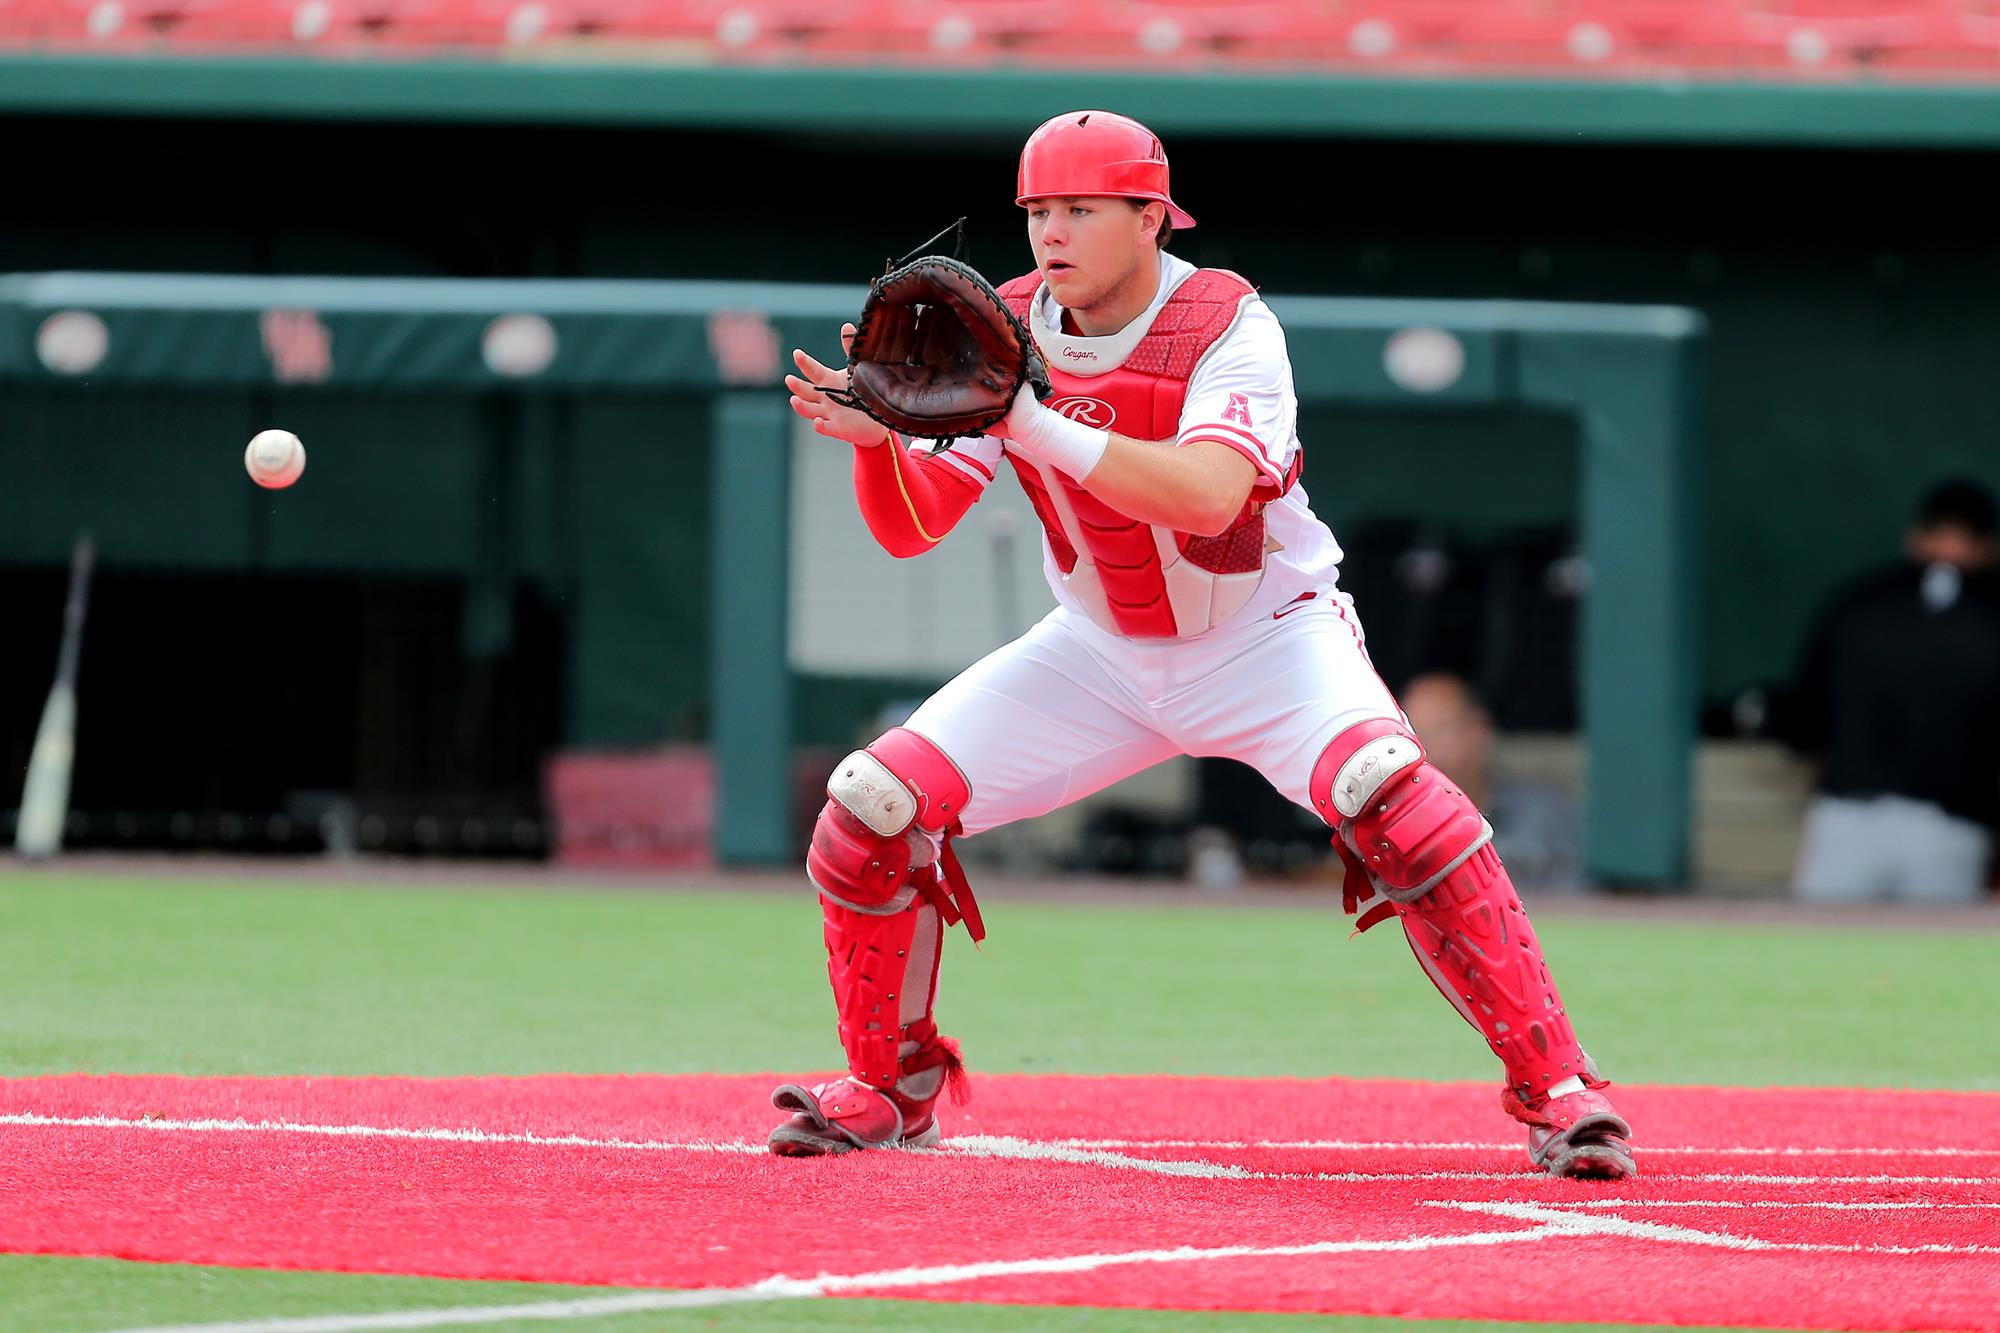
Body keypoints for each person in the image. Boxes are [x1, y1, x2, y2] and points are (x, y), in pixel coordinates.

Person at [773, 109, 1634, 1179]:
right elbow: (912, 529)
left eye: (1081, 209)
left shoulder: (1228, 320)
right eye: (1038, 210)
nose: (1051, 234)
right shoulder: (1002, 323)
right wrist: (877, 443)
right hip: (1094, 649)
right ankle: (887, 1088)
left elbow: (1204, 494)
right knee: (870, 807)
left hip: (1262, 636)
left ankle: (1556, 1085)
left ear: (1150, 217)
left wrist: (1028, 422)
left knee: (1396, 801)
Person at [1785, 478, 2000, 902]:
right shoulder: (1991, 616)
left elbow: (1802, 720)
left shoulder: (1856, 603)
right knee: (1937, 962)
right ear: (1988, 546)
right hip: (1950, 829)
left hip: (1848, 819)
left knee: (1819, 953)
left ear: (1916, 537)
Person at [1400, 672, 1582, 891]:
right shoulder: (1386, 831)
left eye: (1442, 731)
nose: (1428, 749)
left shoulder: (1543, 814)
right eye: (1414, 734)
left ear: (1478, 730)